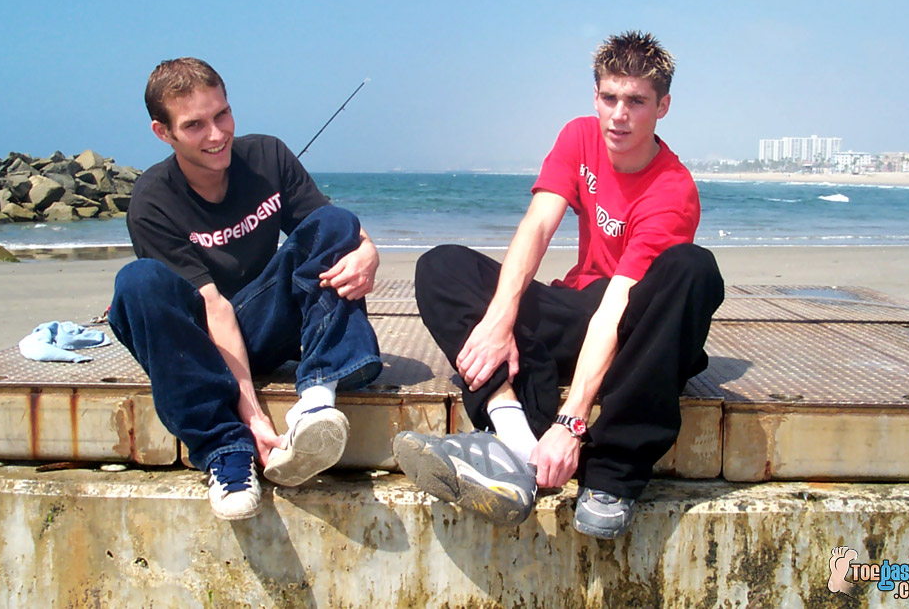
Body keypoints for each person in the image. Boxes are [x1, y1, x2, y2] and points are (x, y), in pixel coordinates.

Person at [394, 31, 724, 538]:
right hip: (577, 309)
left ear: (662, 106)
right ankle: (516, 442)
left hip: (635, 333)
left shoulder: (672, 189)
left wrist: (571, 422)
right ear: (596, 96)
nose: (619, 115)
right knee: (442, 267)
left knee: (693, 268)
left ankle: (611, 476)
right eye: (610, 98)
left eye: (636, 101)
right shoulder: (579, 136)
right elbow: (537, 227)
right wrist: (501, 320)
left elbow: (616, 305)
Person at [109, 58, 382, 521]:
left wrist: (369, 253)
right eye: (194, 125)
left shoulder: (268, 156)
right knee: (136, 282)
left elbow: (331, 228)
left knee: (338, 221)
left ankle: (317, 399)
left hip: (261, 325)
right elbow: (213, 307)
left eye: (222, 114)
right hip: (199, 345)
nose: (216, 135)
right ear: (163, 132)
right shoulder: (153, 200)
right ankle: (226, 452)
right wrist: (251, 412)